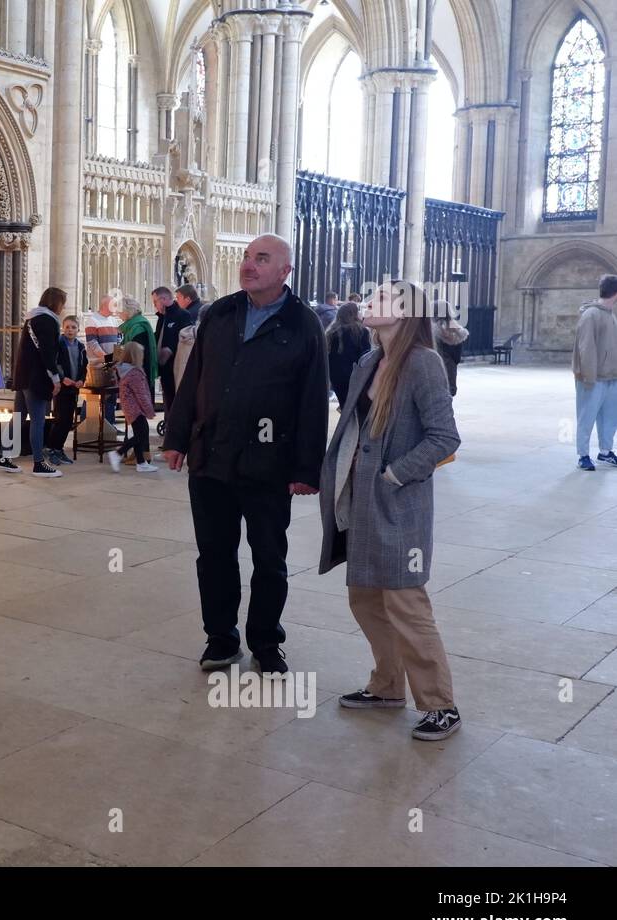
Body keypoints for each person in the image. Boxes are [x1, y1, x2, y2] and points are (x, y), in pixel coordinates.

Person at [163, 234, 328, 675]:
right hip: (211, 459)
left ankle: (266, 641)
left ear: (284, 271)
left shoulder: (303, 324)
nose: (249, 265)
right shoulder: (220, 312)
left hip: (269, 465)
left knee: (268, 558)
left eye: (261, 258)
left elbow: (313, 400)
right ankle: (220, 639)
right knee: (214, 555)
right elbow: (193, 378)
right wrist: (177, 438)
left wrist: (306, 468)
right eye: (246, 257)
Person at [319, 280, 463, 741]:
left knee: (405, 601)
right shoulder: (369, 360)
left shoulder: (423, 364)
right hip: (359, 498)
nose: (368, 302)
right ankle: (386, 686)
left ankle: (441, 705)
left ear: (407, 311)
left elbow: (445, 437)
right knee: (364, 597)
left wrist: (395, 474)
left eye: (381, 298)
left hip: (398, 502)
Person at [2, 287, 66, 477]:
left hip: (24, 375)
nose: (63, 308)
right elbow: (46, 353)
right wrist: (55, 378)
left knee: (18, 418)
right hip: (36, 377)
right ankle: (38, 463)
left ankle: (4, 457)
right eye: (62, 304)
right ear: (56, 303)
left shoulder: (32, 318)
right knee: (38, 421)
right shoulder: (47, 321)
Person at [572, 274, 617, 471]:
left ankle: (605, 452)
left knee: (610, 418)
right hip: (593, 377)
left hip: (611, 376)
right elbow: (586, 348)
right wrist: (588, 377)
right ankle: (583, 455)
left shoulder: (611, 314)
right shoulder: (591, 315)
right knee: (587, 417)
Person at [107, 342, 157, 474]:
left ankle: (141, 463)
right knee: (141, 434)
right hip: (136, 408)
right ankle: (118, 453)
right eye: (141, 354)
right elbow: (141, 394)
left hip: (129, 408)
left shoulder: (124, 370)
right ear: (136, 356)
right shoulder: (134, 373)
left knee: (140, 433)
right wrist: (149, 410)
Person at [46, 315, 87, 465]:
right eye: (67, 327)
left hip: (74, 388)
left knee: (68, 420)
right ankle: (52, 449)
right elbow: (55, 363)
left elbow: (83, 366)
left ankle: (59, 448)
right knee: (60, 418)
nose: (70, 330)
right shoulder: (59, 344)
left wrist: (82, 379)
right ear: (63, 328)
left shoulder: (81, 347)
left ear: (78, 330)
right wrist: (63, 378)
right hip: (61, 386)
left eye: (73, 327)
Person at [325, 301, 372, 406]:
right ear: (354, 314)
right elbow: (366, 357)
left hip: (336, 377)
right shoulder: (361, 331)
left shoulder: (332, 332)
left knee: (345, 406)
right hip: (356, 377)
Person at [85, 293, 121, 427]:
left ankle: (109, 426)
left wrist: (116, 359)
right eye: (114, 304)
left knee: (111, 397)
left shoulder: (113, 320)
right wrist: (106, 359)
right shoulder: (93, 320)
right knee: (94, 397)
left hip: (112, 363)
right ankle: (89, 426)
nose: (116, 307)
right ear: (105, 305)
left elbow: (118, 340)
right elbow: (92, 343)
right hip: (98, 365)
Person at [152, 286, 189, 415]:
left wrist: (171, 349)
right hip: (164, 368)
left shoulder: (182, 315)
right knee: (167, 399)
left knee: (175, 399)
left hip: (176, 367)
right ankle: (168, 425)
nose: (154, 305)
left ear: (163, 299)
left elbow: (186, 338)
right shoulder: (161, 317)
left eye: (155, 301)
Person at [431, 300, 469, 398]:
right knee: (448, 393)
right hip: (450, 366)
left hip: (435, 365)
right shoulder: (455, 328)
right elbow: (457, 357)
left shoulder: (431, 328)